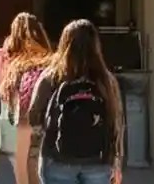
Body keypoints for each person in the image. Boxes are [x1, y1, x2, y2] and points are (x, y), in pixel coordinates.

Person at [27, 20, 124, 184]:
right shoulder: (106, 81)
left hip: (57, 159)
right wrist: (117, 161)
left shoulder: (51, 77)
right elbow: (116, 122)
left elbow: (34, 116)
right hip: (98, 161)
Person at [0, 13, 54, 184]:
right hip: (54, 124)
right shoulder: (53, 63)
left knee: (25, 165)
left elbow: (8, 99)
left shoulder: (18, 66)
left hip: (27, 123)